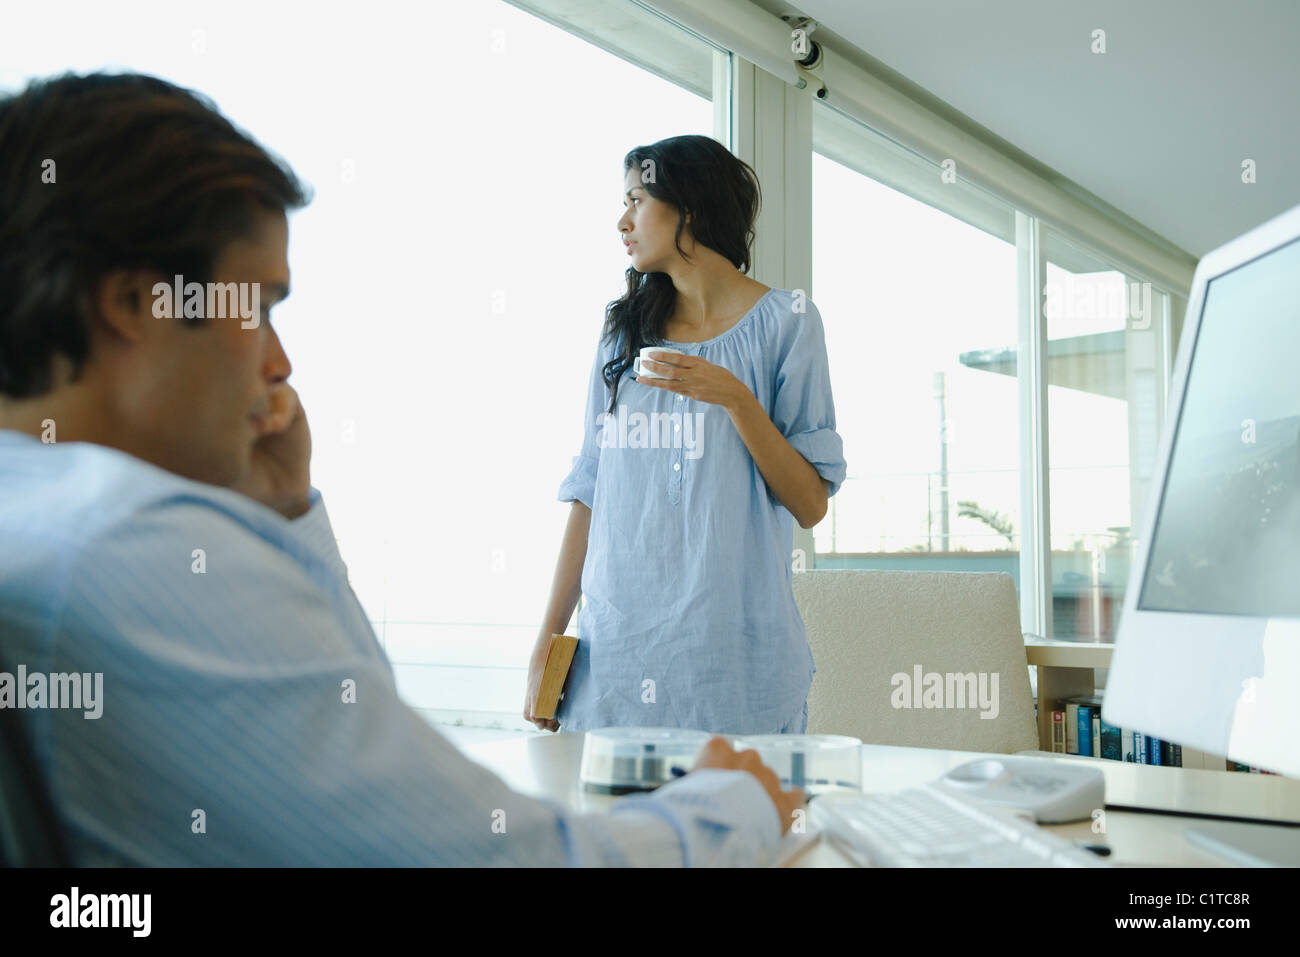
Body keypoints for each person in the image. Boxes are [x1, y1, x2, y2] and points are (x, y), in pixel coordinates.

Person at [0, 72, 803, 866]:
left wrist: (287, 514)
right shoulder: (131, 550)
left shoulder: (40, 519)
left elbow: (355, 733)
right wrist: (734, 803)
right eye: (262, 307)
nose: (279, 360)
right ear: (138, 302)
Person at [524, 136, 846, 735]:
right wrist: (549, 640)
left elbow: (809, 503)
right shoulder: (621, 334)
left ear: (688, 209)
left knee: (747, 826)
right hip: (616, 656)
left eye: (637, 200)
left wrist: (735, 398)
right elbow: (591, 490)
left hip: (737, 665)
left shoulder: (789, 324)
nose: (622, 221)